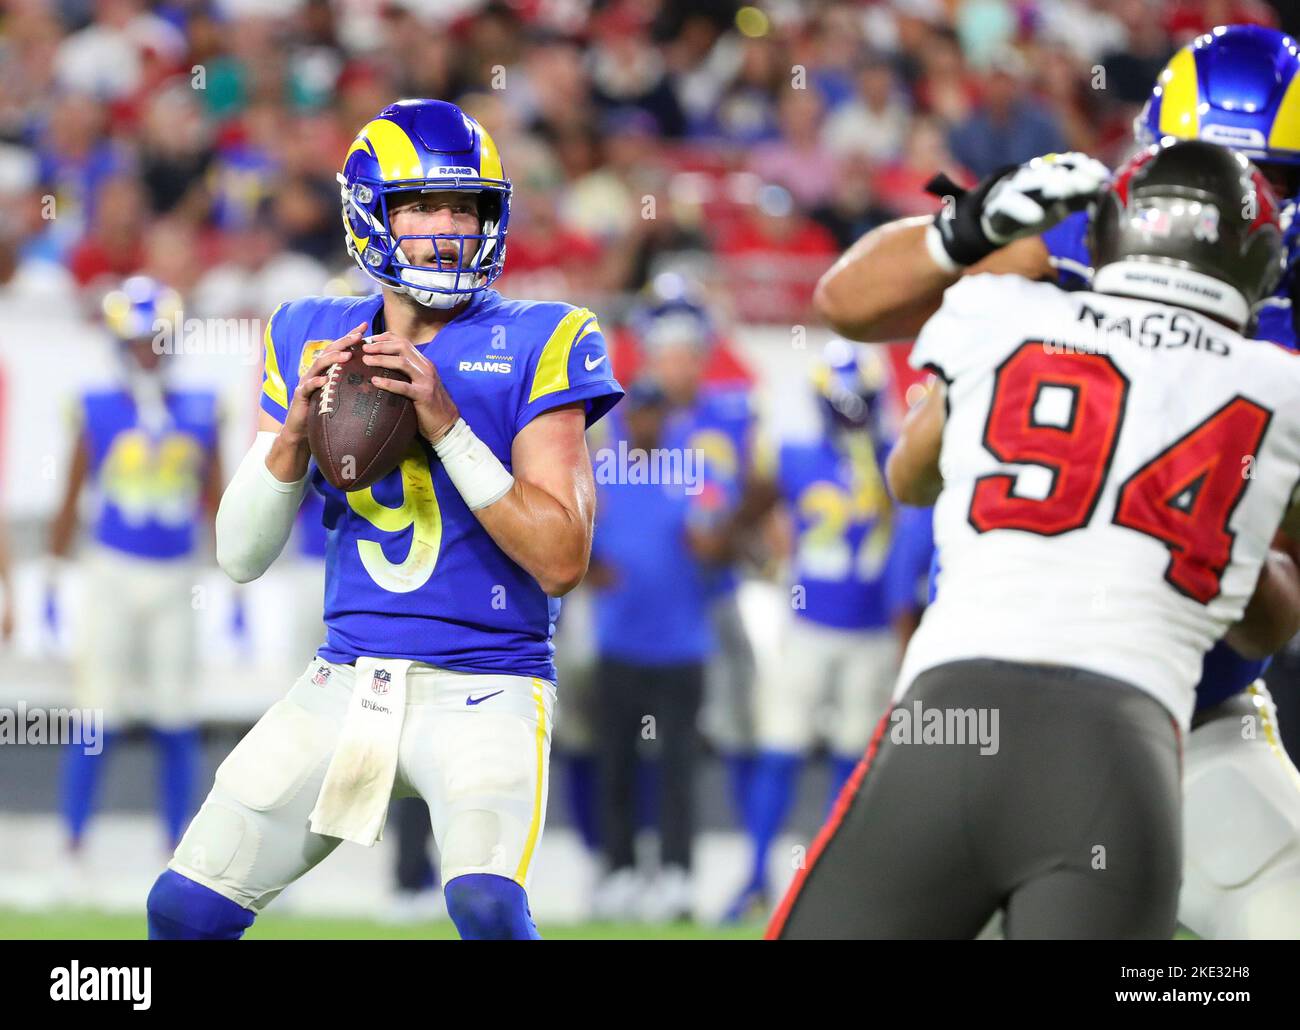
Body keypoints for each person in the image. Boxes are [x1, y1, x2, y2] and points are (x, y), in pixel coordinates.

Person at [809, 24, 1300, 940]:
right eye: (1210, 169)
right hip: (1029, 691)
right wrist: (966, 222)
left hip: (1185, 712)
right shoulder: (1063, 240)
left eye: (1275, 180)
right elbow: (845, 307)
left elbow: (909, 464)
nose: (1236, 204)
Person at [144, 98, 623, 941]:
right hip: (345, 676)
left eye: (464, 207)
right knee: (181, 911)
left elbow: (559, 559)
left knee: (485, 907)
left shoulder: (546, 335)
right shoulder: (308, 331)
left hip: (486, 684)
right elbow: (239, 556)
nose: (447, 229)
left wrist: (446, 423)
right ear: (370, 215)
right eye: (421, 207)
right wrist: (291, 434)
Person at [724, 341, 919, 920]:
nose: (850, 414)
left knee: (850, 761)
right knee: (780, 752)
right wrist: (757, 555)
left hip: (873, 632)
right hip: (809, 626)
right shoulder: (799, 456)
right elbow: (747, 514)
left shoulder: (895, 457)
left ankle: (833, 882)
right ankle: (757, 874)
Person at [49, 275, 222, 858]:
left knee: (177, 710)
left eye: (156, 341)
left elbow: (217, 498)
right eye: (137, 342)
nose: (147, 352)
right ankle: (74, 839)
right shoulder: (94, 405)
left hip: (176, 574)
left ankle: (178, 839)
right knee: (97, 710)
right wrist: (51, 569)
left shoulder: (202, 407)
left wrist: (235, 570)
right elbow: (72, 494)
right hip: (112, 570)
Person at [587, 377, 717, 923]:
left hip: (681, 645)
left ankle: (676, 874)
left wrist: (721, 535)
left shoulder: (692, 473)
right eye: (639, 413)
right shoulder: (599, 473)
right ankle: (617, 872)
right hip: (618, 643)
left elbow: (714, 543)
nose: (648, 423)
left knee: (676, 767)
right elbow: (573, 536)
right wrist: (592, 571)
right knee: (615, 764)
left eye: (656, 413)